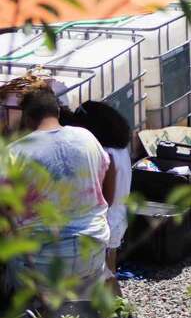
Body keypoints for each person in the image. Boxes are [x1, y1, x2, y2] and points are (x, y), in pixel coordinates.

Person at [6, 83, 114, 300]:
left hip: (42, 258)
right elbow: (109, 173)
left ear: (26, 118)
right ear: (57, 111)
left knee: (35, 311)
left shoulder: (15, 152)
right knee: (81, 310)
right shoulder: (86, 137)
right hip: (91, 246)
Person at [67, 101, 133, 276]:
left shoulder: (105, 154)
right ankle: (114, 301)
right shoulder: (121, 149)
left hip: (107, 221)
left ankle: (113, 302)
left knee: (103, 275)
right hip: (118, 217)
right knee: (108, 273)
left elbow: (106, 198)